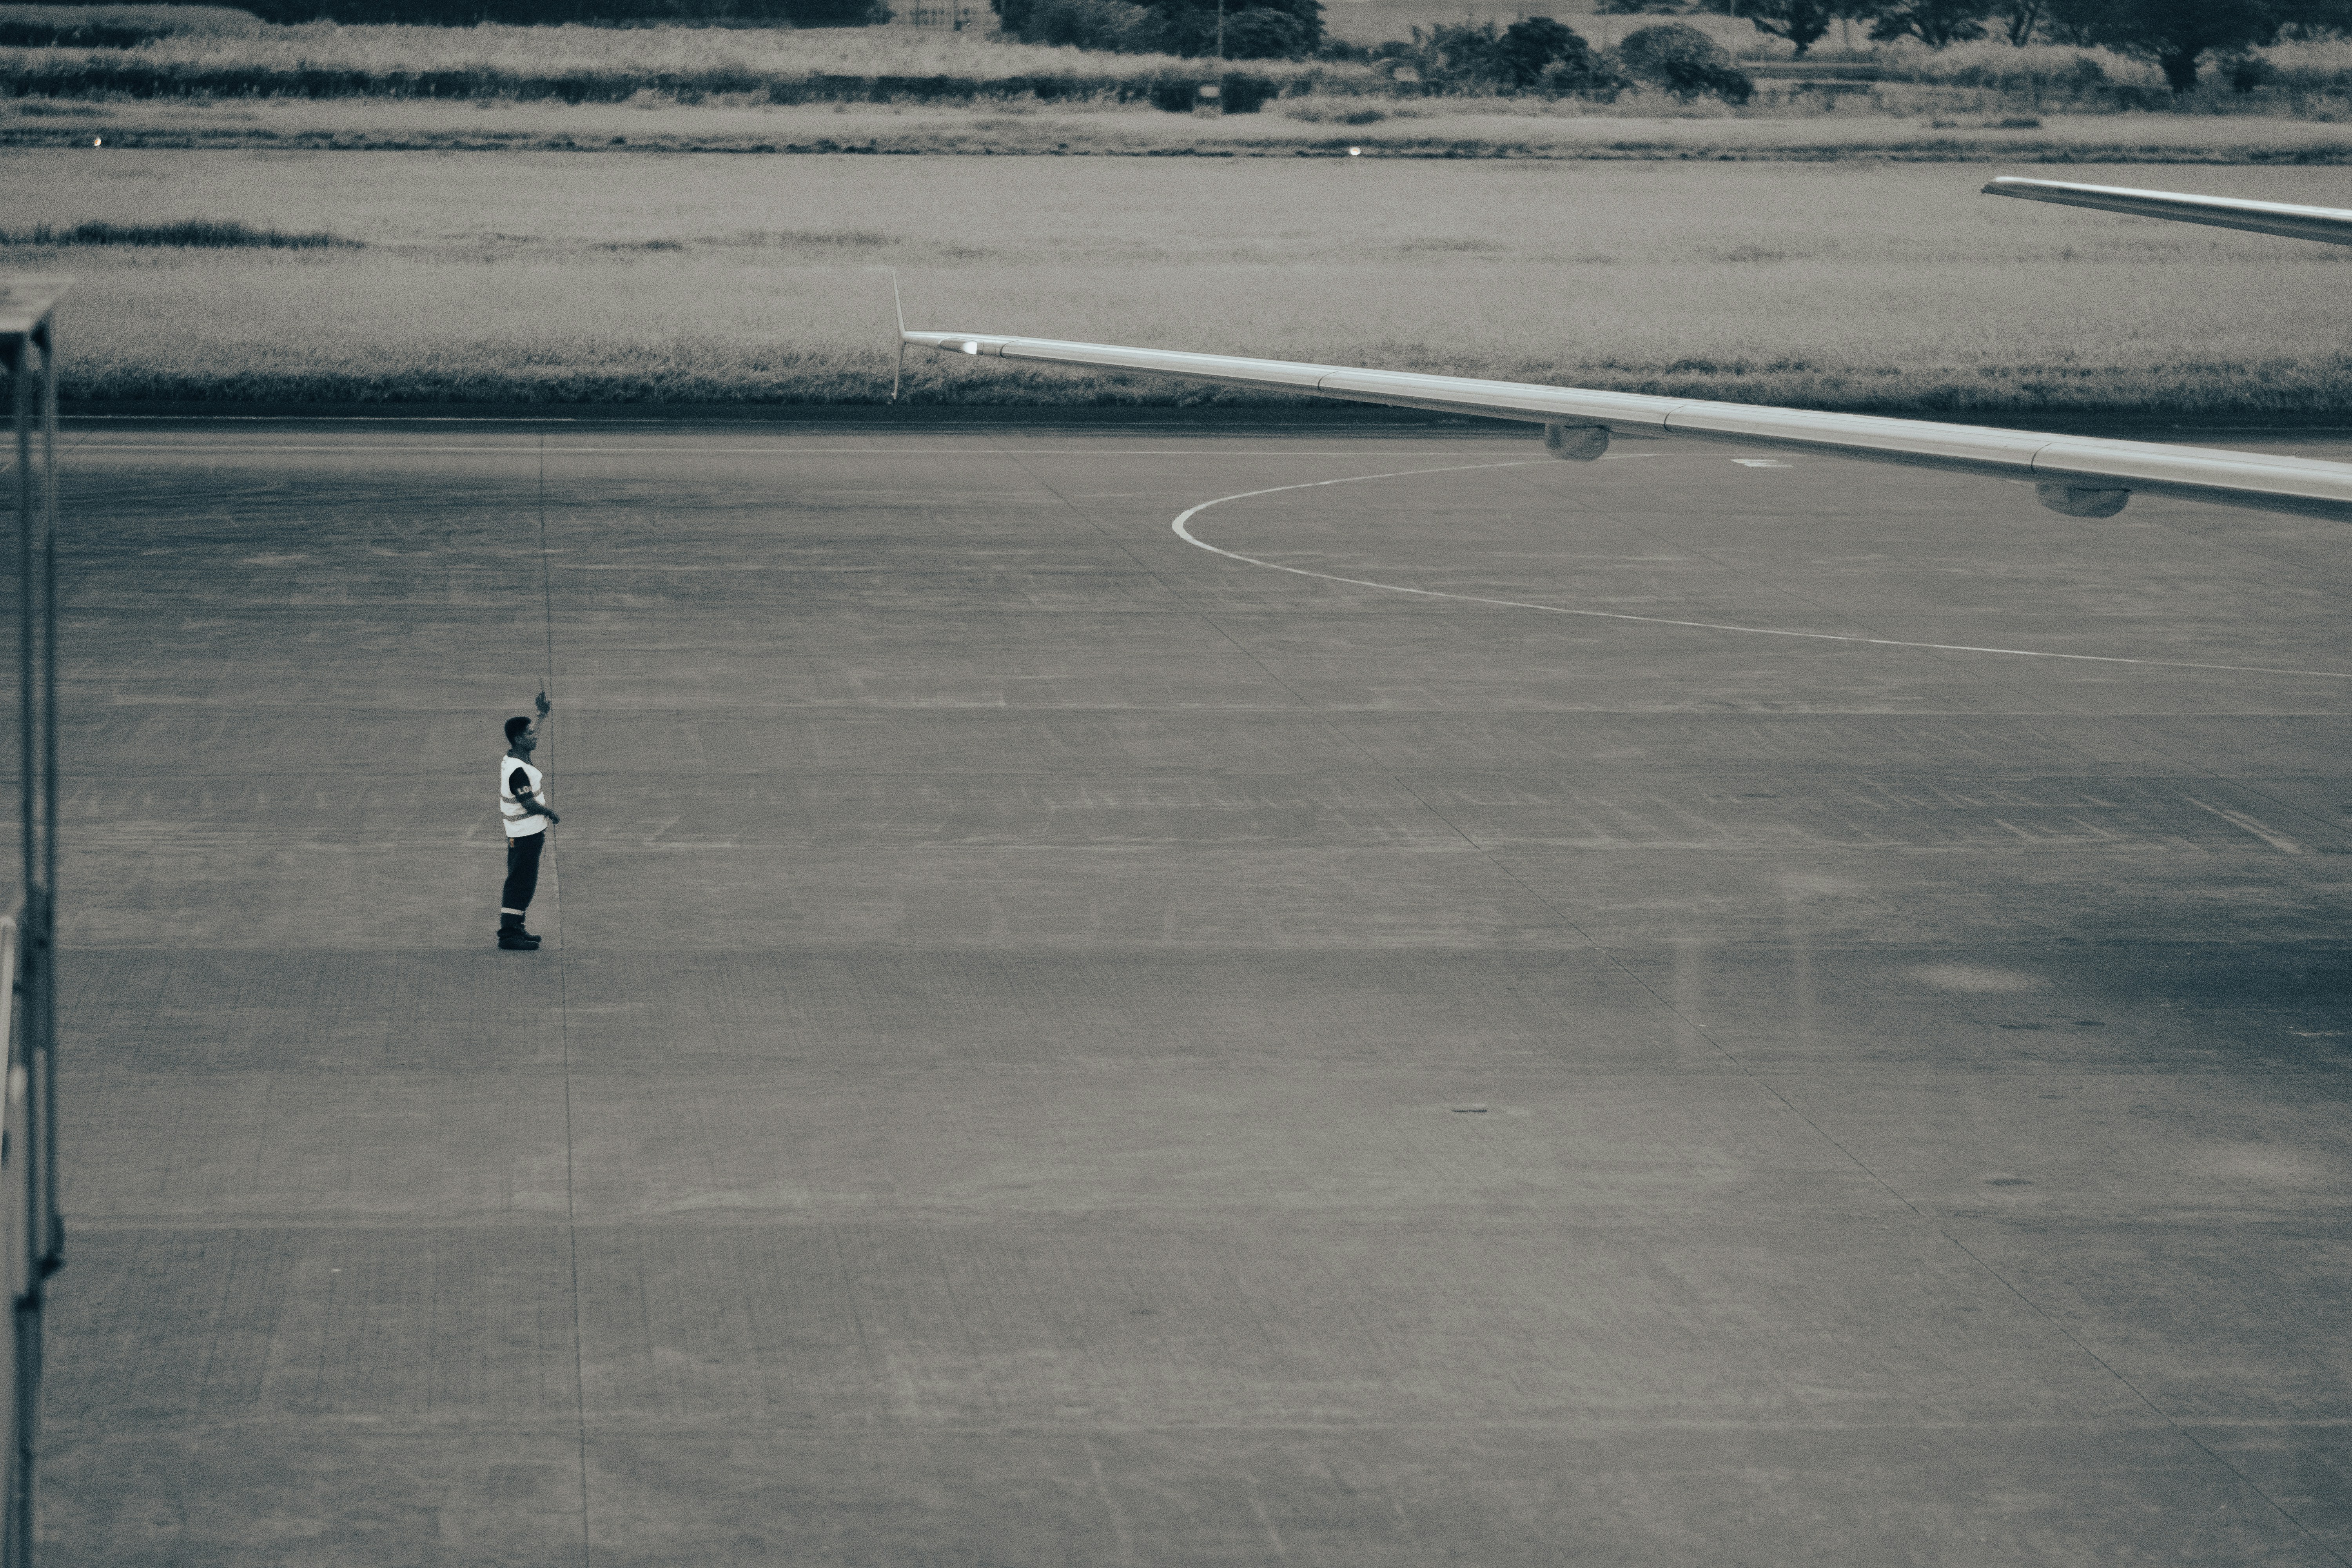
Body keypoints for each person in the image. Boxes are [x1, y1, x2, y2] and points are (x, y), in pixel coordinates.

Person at [497, 693, 560, 951]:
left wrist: (541, 715)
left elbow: (530, 730)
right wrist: (551, 812)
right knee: (521, 885)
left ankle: (517, 928)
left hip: (525, 834)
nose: (535, 737)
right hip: (524, 836)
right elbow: (529, 804)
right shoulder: (518, 770)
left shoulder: (517, 755)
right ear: (520, 739)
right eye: (531, 735)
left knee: (524, 883)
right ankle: (509, 935)